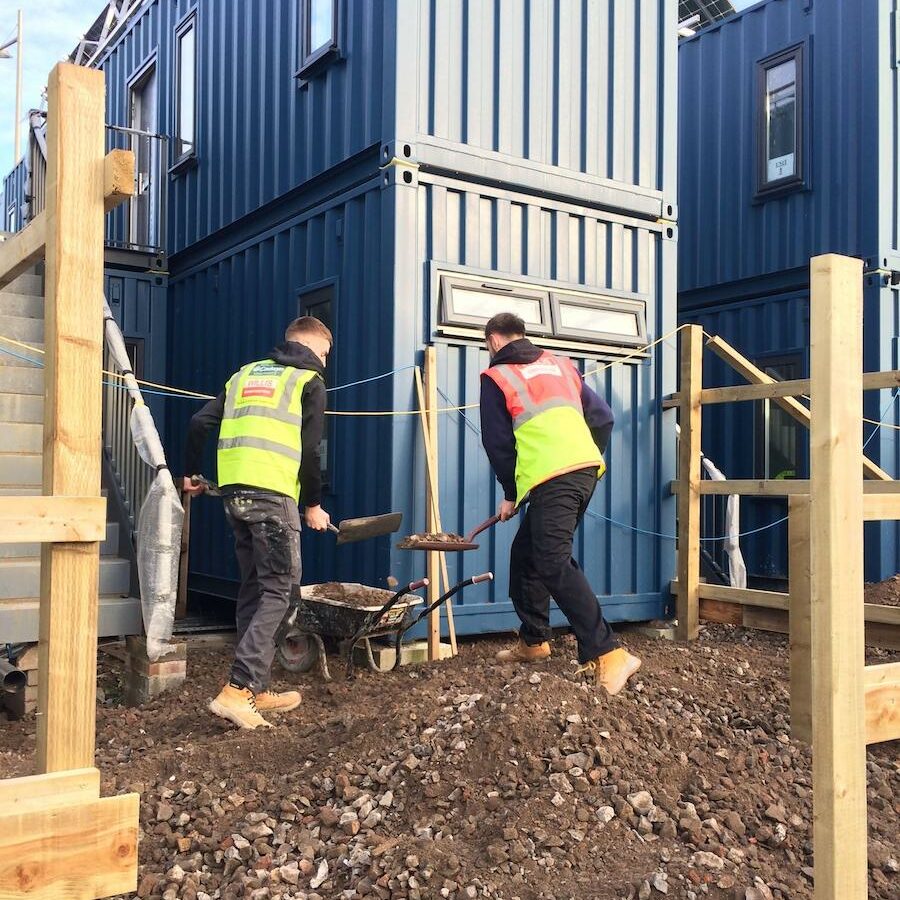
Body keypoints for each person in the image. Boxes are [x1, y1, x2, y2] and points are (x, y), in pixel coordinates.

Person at [479, 312, 641, 695]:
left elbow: (498, 444)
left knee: (552, 560)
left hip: (555, 477)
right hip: (583, 469)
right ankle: (534, 641)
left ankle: (608, 652)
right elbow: (603, 418)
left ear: (493, 341)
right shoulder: (561, 365)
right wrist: (581, 456)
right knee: (527, 554)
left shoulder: (497, 377)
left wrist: (510, 493)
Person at [183, 316, 333, 729]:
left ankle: (257, 688)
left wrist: (191, 473)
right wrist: (313, 504)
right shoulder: (308, 381)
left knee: (255, 587)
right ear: (312, 347)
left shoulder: (244, 375)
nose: (324, 362)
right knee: (282, 590)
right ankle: (238, 689)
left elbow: (199, 422)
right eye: (325, 354)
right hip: (272, 496)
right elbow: (311, 451)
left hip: (235, 495)